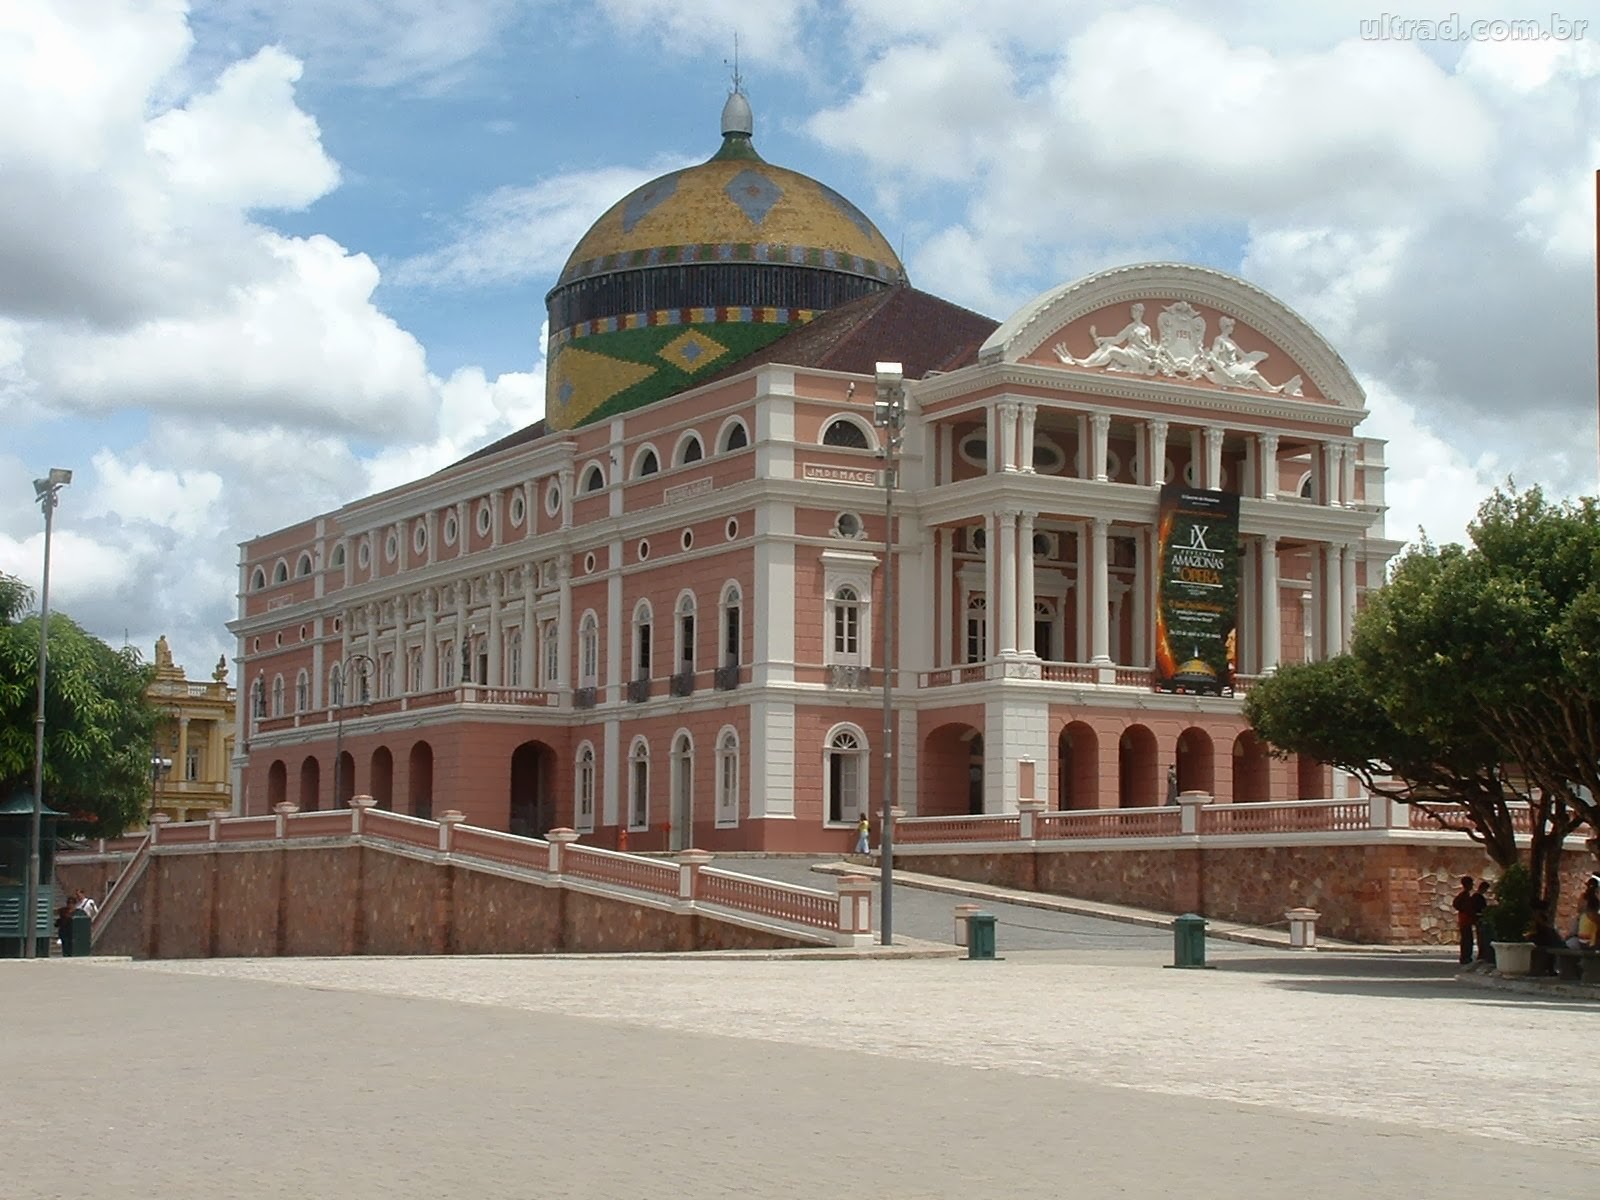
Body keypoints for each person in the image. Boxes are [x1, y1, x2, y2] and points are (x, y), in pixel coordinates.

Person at [1451, 876, 1476, 965]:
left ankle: (1466, 957)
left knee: (1467, 939)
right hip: (1465, 920)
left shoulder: (1465, 895)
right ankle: (1465, 957)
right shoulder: (1464, 895)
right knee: (1467, 940)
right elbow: (1457, 904)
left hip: (1465, 920)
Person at [1471, 879, 1492, 964]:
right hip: (1479, 919)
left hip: (1477, 918)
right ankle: (1481, 953)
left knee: (1481, 937)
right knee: (1481, 937)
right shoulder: (1478, 897)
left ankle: (1482, 953)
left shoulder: (1475, 896)